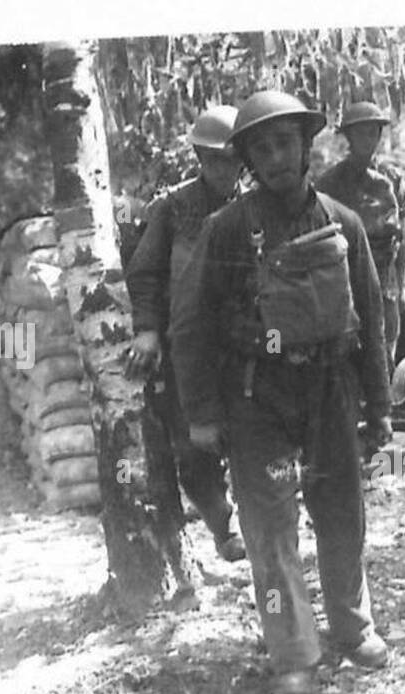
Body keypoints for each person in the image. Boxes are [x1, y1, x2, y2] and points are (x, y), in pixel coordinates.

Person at [168, 90, 394, 694]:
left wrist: (379, 407)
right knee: (270, 530)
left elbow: (371, 319)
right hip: (257, 397)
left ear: (305, 144)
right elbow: (190, 325)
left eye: (283, 142)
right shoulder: (228, 230)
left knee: (342, 510)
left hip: (329, 389)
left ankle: (353, 626)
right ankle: (294, 651)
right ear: (246, 158)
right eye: (260, 147)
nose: (274, 157)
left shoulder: (342, 223)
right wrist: (204, 414)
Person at [124, 105, 247, 562]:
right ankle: (222, 523)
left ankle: (256, 523)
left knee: (251, 438)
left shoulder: (253, 206)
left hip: (241, 348)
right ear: (199, 158)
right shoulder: (174, 207)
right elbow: (147, 273)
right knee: (192, 445)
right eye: (214, 159)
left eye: (233, 159)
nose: (224, 168)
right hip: (186, 348)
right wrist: (148, 332)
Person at [315, 101, 405, 362]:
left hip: (385, 279)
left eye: (373, 132)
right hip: (348, 281)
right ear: (348, 137)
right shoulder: (330, 183)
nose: (367, 139)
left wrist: (402, 285)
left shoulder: (392, 178)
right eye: (360, 133)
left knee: (386, 351)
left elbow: (402, 232)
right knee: (351, 353)